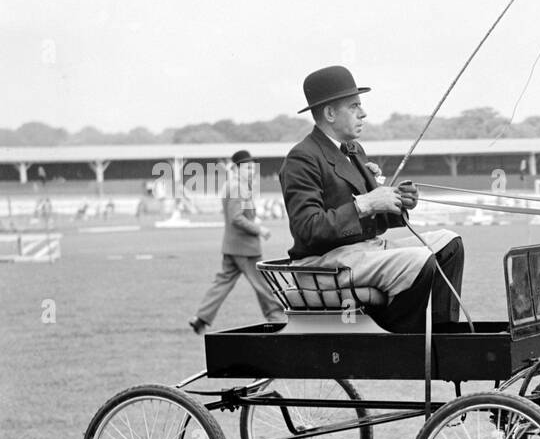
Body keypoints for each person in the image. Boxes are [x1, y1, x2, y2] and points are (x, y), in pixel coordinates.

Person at [279, 65, 464, 333]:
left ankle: (442, 335)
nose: (363, 113)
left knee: (449, 243)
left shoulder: (353, 151)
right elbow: (308, 229)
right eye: (354, 106)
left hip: (366, 251)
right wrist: (366, 203)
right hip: (324, 264)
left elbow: (375, 219)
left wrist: (397, 200)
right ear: (330, 113)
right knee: (420, 260)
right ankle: (398, 339)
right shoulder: (302, 158)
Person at [190, 151, 285, 333]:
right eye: (247, 168)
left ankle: (201, 318)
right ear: (237, 169)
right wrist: (260, 229)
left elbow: (244, 215)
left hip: (233, 246)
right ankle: (277, 317)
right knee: (263, 284)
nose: (252, 171)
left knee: (222, 283)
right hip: (245, 248)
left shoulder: (236, 186)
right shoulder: (237, 188)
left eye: (253, 168)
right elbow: (237, 218)